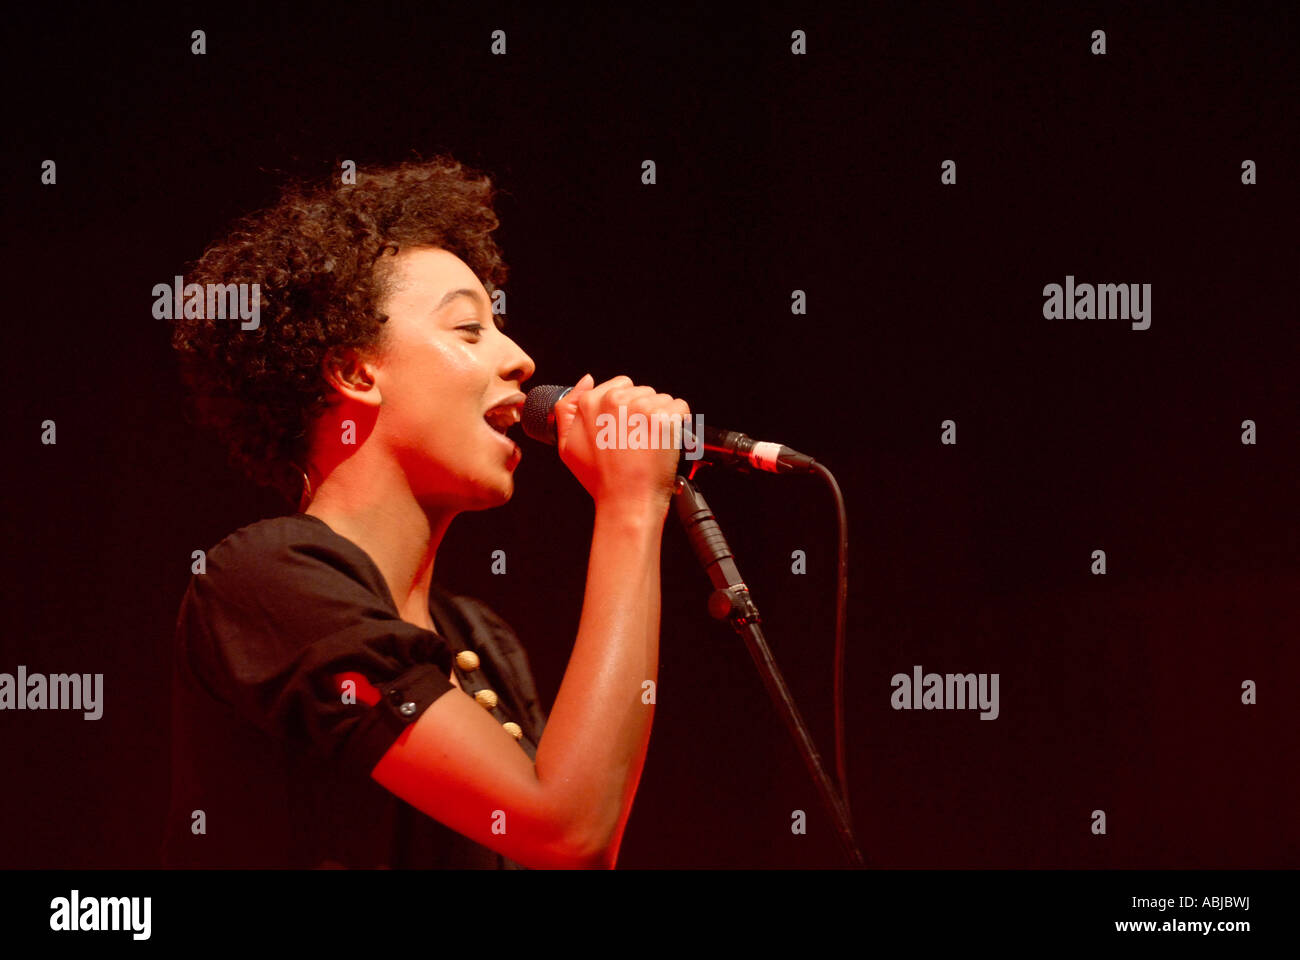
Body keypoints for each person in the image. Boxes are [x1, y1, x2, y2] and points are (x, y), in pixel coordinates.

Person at [162, 156, 690, 869]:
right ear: (354, 372)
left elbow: (578, 852)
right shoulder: (264, 581)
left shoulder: (479, 639)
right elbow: (566, 830)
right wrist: (631, 508)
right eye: (469, 329)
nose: (522, 360)